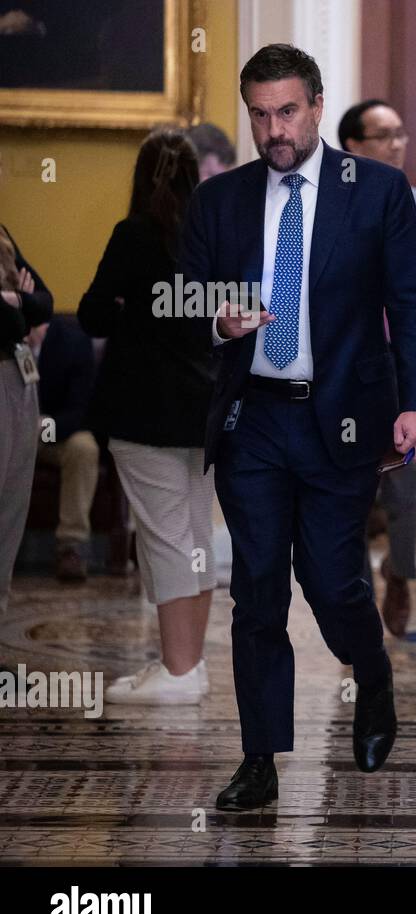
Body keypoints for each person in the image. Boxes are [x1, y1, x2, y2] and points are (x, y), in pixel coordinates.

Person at [181, 44, 416, 808]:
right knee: (256, 589)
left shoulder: (377, 192)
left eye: (287, 111)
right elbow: (186, 292)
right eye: (259, 114)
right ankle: (259, 757)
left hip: (345, 421)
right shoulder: (220, 200)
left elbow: (412, 307)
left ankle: (373, 672)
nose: (274, 129)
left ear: (318, 106)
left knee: (331, 582)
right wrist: (216, 318)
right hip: (252, 419)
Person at [77, 129, 217, 704]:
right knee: (196, 537)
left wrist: (127, 311)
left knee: (164, 539)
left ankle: (179, 672)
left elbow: (90, 315)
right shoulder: (208, 235)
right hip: (204, 408)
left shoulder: (134, 234)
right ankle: (189, 664)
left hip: (143, 409)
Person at [339, 97, 416, 636]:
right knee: (350, 496)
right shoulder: (332, 205)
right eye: (384, 135)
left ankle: (399, 574)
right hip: (348, 374)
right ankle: (357, 602)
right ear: (353, 145)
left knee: (409, 490)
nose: (397, 143)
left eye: (401, 133)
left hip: (407, 377)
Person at [0, 157, 54, 616]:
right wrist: (17, 306)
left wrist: (16, 299)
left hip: (16, 379)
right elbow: (16, 317)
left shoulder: (3, 231)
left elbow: (44, 302)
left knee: (9, 514)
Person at [29, 315, 98, 582]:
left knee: (84, 448)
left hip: (54, 432)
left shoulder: (73, 343)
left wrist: (42, 427)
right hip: (10, 432)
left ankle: (72, 546)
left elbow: (81, 411)